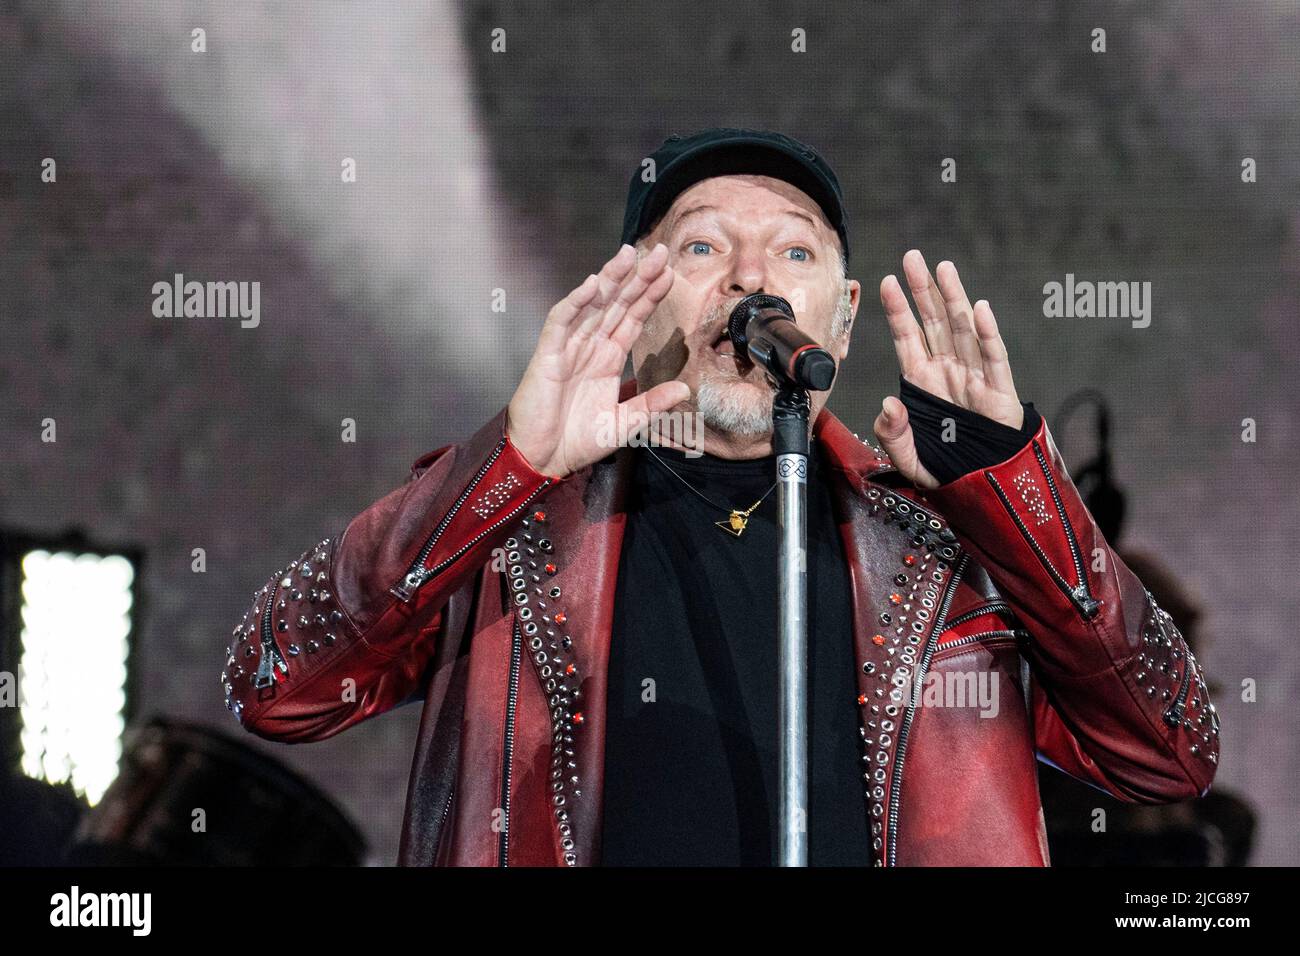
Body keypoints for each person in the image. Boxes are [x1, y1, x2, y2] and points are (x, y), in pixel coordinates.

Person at [221, 128, 1219, 866]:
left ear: (837, 312)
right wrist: (508, 460)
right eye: (701, 249)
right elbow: (277, 682)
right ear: (635, 295)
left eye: (794, 252)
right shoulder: (509, 525)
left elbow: (1172, 751)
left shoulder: (943, 552)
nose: (752, 279)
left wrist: (1014, 491)